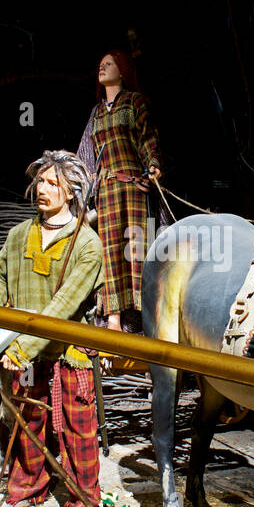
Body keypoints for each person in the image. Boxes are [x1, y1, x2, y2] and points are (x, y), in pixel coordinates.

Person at [0, 150, 104, 507]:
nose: (43, 189)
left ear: (71, 192)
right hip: (24, 351)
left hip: (69, 348)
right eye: (41, 181)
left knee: (78, 425)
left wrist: (22, 347)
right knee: (27, 418)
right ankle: (28, 487)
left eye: (54, 183)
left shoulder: (87, 245)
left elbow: (65, 304)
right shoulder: (19, 235)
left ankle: (84, 498)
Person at [75, 49, 162, 332]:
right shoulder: (97, 113)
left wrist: (152, 165)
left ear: (122, 70)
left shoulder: (134, 103)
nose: (103, 68)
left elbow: (147, 138)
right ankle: (113, 318)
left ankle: (141, 313)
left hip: (133, 188)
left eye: (109, 64)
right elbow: (88, 153)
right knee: (110, 251)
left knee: (135, 249)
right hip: (107, 191)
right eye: (100, 64)